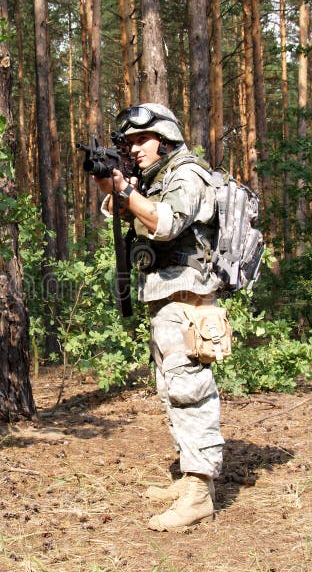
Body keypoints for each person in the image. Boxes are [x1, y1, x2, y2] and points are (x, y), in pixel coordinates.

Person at [94, 103, 225, 532]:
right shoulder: (158, 179)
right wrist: (117, 189)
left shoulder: (187, 174)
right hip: (166, 295)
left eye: (141, 141)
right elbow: (125, 214)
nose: (134, 149)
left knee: (190, 390)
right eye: (127, 142)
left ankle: (199, 493)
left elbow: (166, 224)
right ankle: (190, 476)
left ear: (166, 138)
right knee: (170, 388)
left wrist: (127, 192)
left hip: (189, 297)